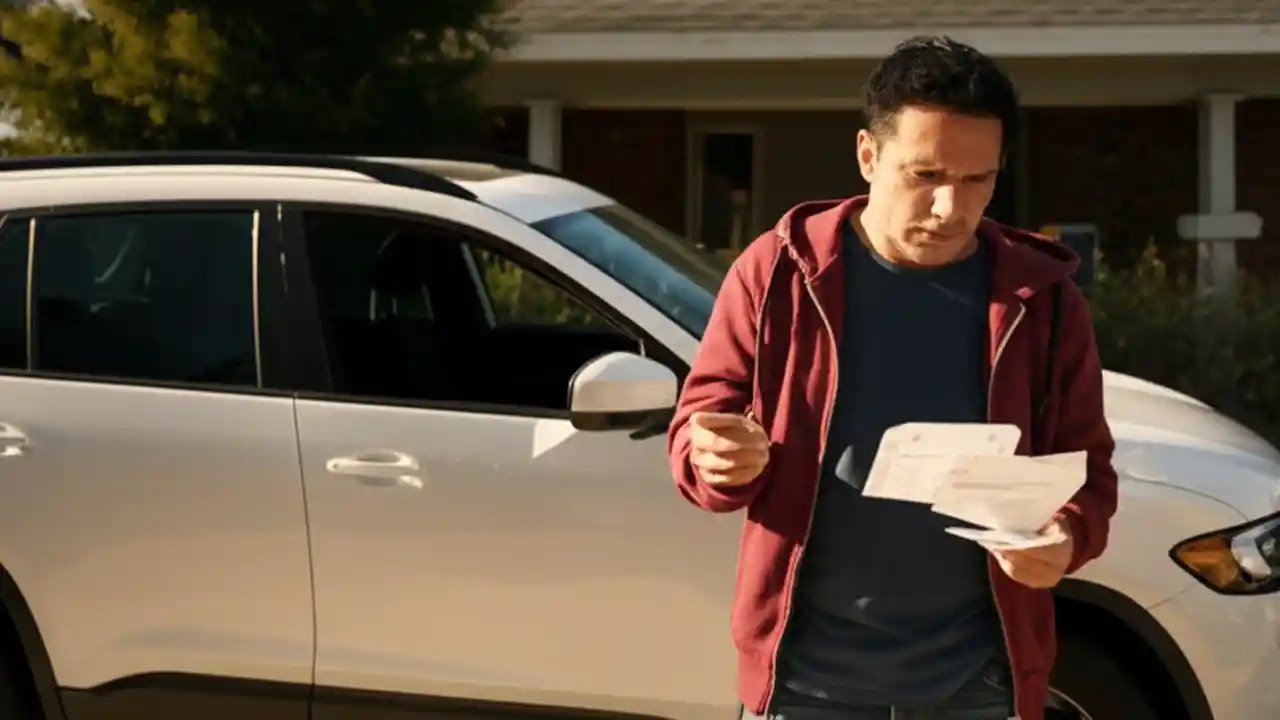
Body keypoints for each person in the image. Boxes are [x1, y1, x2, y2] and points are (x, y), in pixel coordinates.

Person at [666, 35, 1118, 720]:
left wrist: (1066, 538)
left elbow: (1087, 473)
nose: (949, 208)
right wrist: (719, 457)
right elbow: (699, 434)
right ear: (868, 155)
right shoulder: (780, 272)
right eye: (925, 175)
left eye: (977, 181)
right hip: (805, 683)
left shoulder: (1042, 298)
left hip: (978, 683)